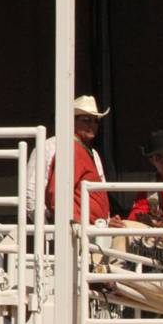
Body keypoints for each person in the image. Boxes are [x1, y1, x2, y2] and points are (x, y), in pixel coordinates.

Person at [37, 95, 112, 226]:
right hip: (80, 230)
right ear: (72, 121)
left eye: (96, 121)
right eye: (87, 120)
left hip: (92, 227)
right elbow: (57, 191)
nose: (92, 125)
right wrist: (73, 224)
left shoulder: (84, 150)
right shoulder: (72, 149)